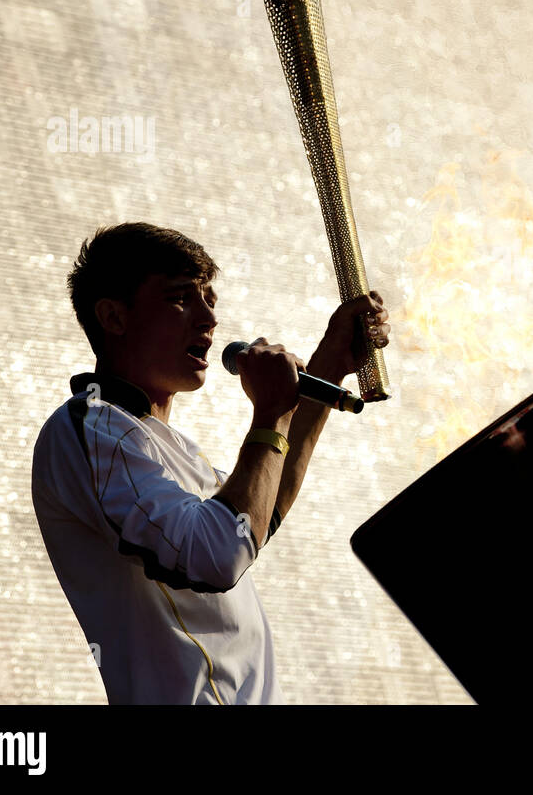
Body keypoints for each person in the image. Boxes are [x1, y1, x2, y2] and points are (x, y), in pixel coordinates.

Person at [30, 222, 390, 704]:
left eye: (210, 299)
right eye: (181, 297)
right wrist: (269, 414)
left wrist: (327, 365)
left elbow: (254, 519)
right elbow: (219, 554)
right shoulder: (91, 427)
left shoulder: (163, 445)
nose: (208, 318)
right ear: (114, 317)